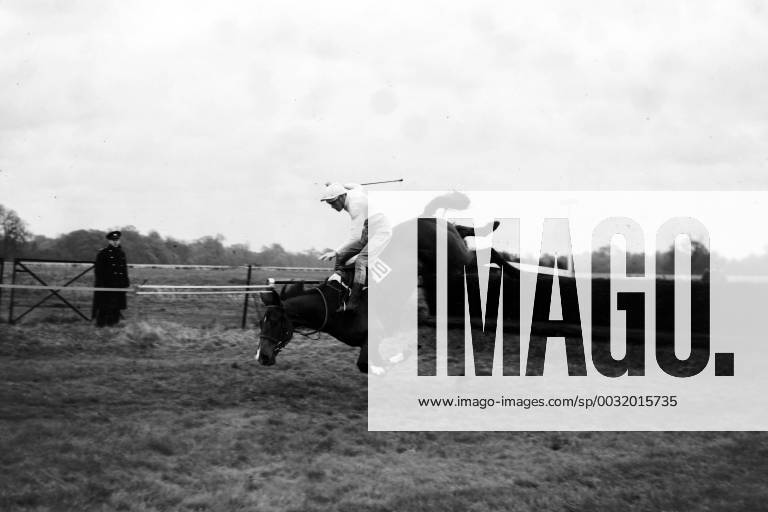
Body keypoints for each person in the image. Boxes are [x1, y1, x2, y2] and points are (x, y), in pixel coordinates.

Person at [319, 182, 391, 311]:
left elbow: (355, 238)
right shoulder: (353, 192)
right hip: (368, 230)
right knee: (342, 256)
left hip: (380, 231)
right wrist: (336, 185)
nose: (332, 206)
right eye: (329, 203)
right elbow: (356, 186)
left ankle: (353, 302)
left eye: (332, 202)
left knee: (361, 261)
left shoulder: (355, 207)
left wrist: (335, 252)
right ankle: (340, 286)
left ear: (341, 197)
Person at [92, 230, 130, 327]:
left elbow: (124, 269)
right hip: (107, 284)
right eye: (113, 240)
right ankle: (101, 325)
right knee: (104, 306)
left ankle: (113, 324)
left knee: (116, 307)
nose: (115, 242)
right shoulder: (103, 253)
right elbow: (99, 270)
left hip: (119, 285)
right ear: (109, 241)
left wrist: (126, 282)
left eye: (117, 240)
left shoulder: (122, 253)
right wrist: (101, 284)